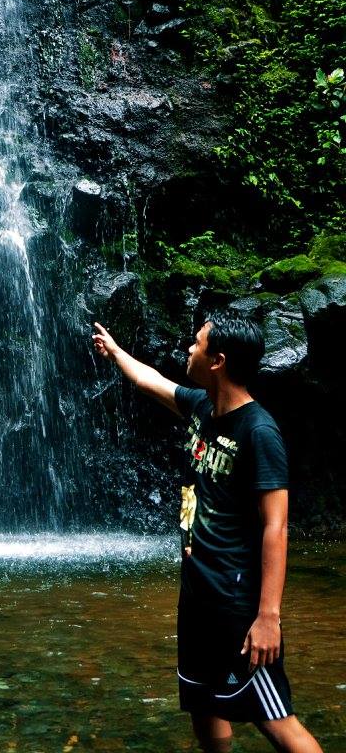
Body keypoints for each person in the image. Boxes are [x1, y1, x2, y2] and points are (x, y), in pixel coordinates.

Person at [92, 314, 323, 753]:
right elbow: (151, 382)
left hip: (236, 606)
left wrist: (268, 617)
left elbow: (277, 526)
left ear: (217, 361)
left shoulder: (258, 431)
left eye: (196, 344)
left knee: (275, 720)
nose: (189, 349)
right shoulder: (202, 407)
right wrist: (117, 351)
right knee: (204, 707)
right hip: (197, 597)